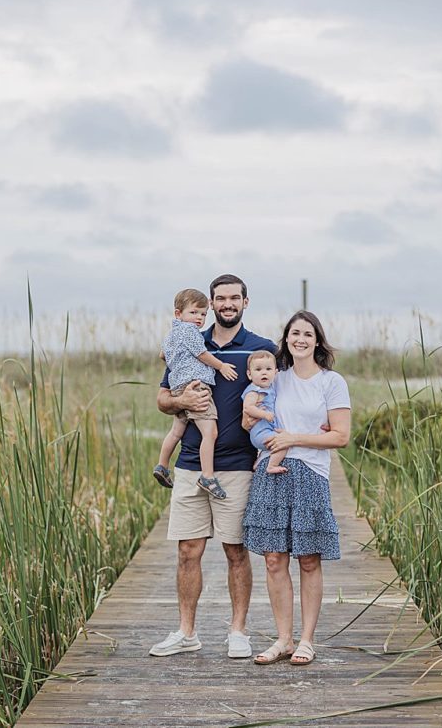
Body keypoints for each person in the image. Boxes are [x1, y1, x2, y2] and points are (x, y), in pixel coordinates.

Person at [149, 274, 276, 660]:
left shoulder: (261, 349)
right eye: (220, 298)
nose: (227, 304)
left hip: (238, 466)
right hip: (190, 464)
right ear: (210, 303)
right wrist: (181, 400)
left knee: (236, 551)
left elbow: (286, 395)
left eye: (234, 298)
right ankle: (187, 632)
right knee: (188, 551)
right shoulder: (189, 340)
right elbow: (162, 399)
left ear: (245, 302)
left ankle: (238, 631)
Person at [243, 311, 350, 667]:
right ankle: (283, 639)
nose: (300, 339)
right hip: (272, 472)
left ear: (317, 340)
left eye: (307, 334)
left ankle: (306, 640)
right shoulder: (276, 377)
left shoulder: (331, 382)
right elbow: (249, 416)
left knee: (308, 558)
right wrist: (255, 426)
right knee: (274, 559)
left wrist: (295, 438)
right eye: (294, 333)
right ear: (286, 339)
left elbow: (341, 436)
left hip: (310, 474)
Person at [154, 288, 239, 498]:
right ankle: (207, 476)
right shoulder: (191, 331)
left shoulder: (171, 334)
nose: (199, 318)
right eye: (193, 313)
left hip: (178, 389)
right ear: (178, 313)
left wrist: (179, 362)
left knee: (176, 432)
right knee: (210, 433)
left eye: (203, 314)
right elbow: (202, 354)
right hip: (197, 386)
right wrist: (221, 366)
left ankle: (162, 465)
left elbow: (162, 355)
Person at [241, 349, 289, 474]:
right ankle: (271, 466)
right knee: (283, 443)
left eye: (268, 369)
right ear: (249, 374)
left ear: (275, 372)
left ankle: (262, 457)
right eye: (258, 369)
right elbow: (248, 408)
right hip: (260, 433)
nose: (264, 372)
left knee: (279, 440)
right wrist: (264, 414)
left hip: (267, 430)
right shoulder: (254, 391)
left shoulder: (271, 388)